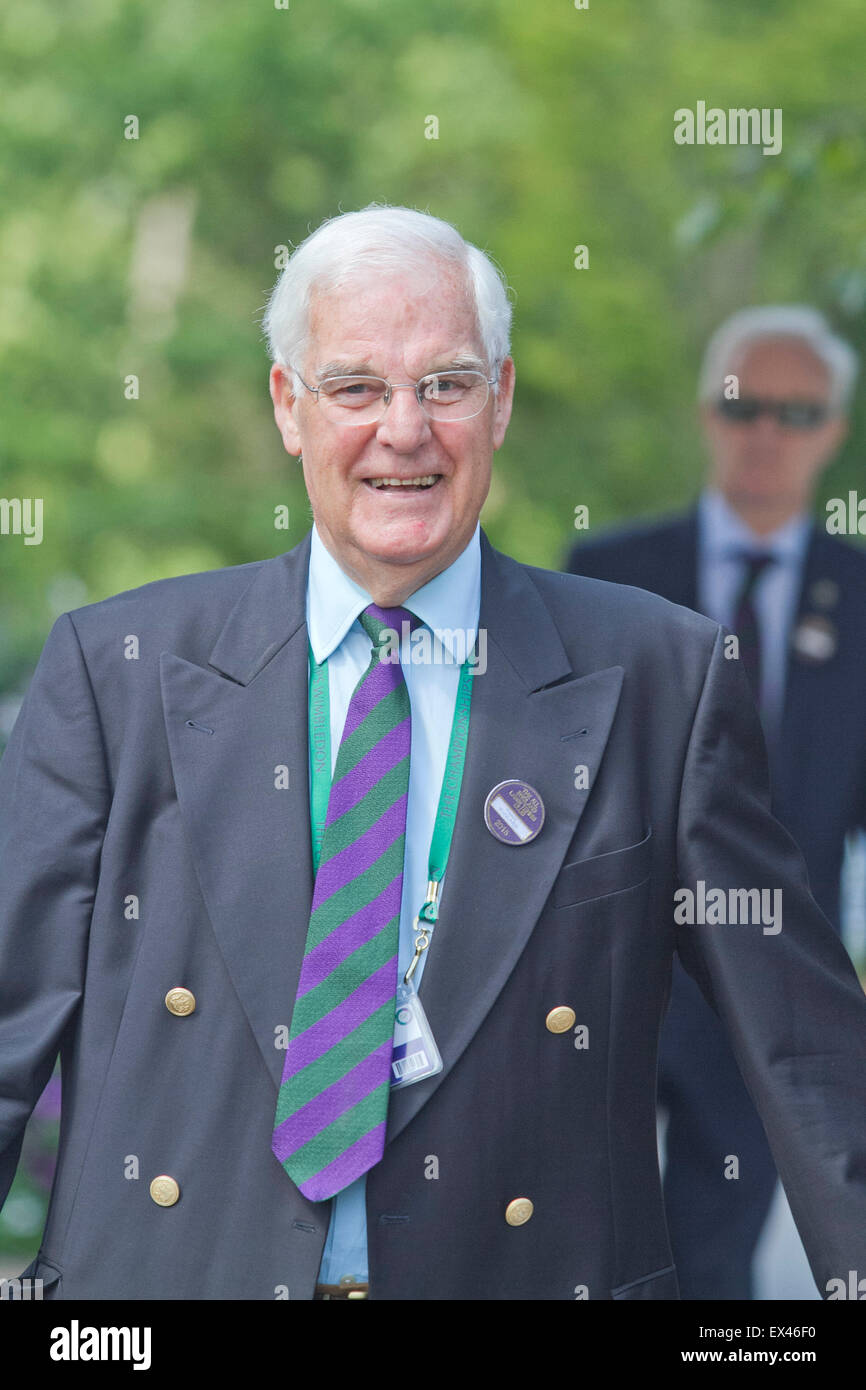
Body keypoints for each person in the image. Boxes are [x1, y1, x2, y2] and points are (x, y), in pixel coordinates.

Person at [2, 213, 866, 1302]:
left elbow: (805, 1054)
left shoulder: (659, 674)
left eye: (445, 385)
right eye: (355, 387)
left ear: (499, 399)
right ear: (287, 407)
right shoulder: (114, 668)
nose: (402, 430)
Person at [566, 305, 866, 1299]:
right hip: (606, 972)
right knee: (577, 1251)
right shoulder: (605, 575)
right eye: (742, 405)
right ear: (706, 412)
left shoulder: (860, 597)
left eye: (794, 411)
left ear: (831, 427)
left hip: (767, 988)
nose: (764, 431)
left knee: (712, 1267)